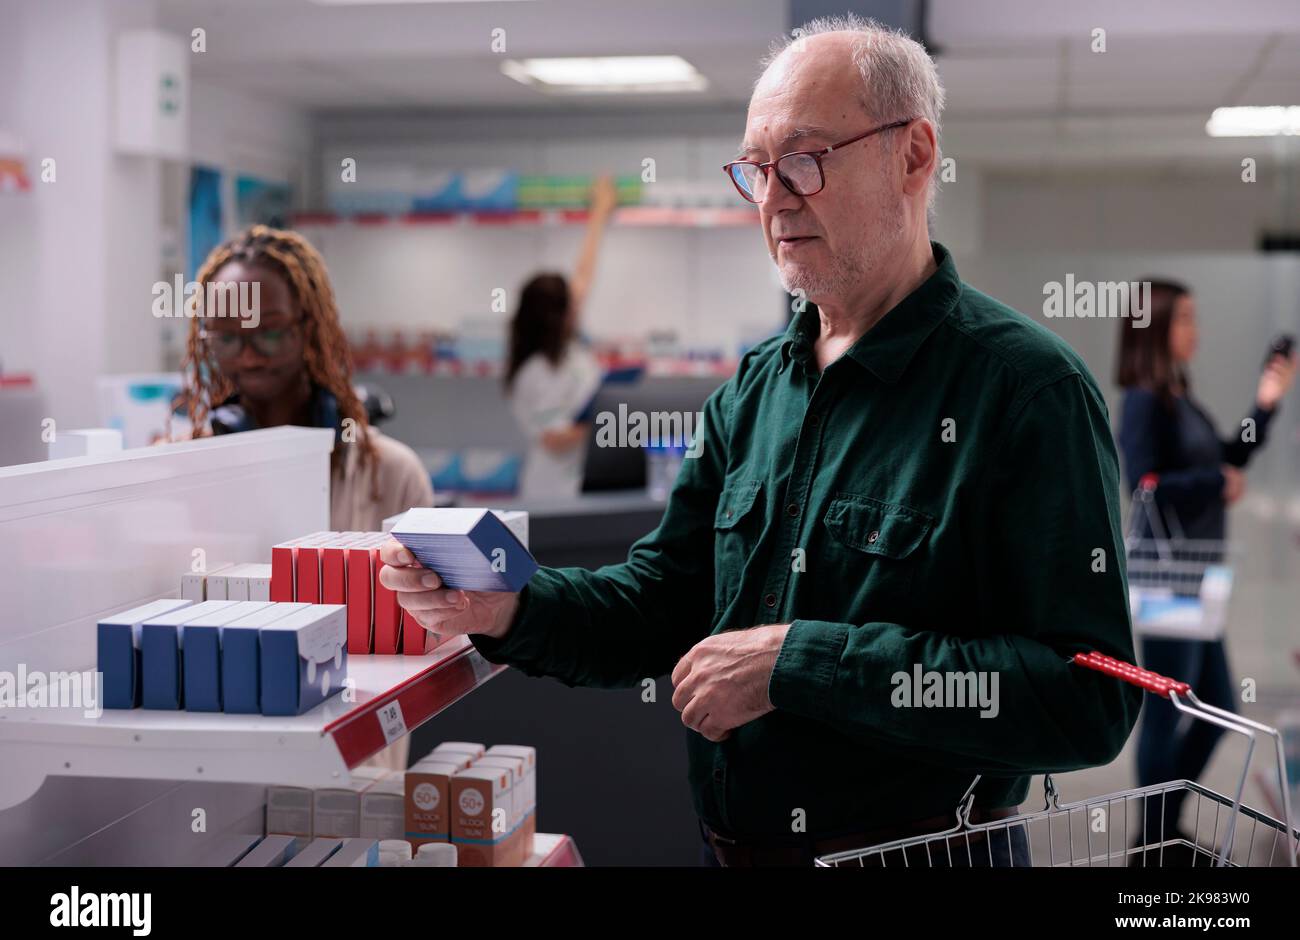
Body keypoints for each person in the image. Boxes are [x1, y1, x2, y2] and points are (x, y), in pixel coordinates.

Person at [381, 15, 1142, 867]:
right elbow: (661, 603)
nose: (775, 197)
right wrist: (512, 606)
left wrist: (801, 662)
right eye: (756, 169)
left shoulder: (1027, 393)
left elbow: (1090, 697)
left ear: (914, 155)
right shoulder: (754, 391)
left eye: (807, 160)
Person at [1115, 279, 1295, 860]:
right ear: (1156, 326)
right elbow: (1143, 484)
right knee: (1172, 712)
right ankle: (1155, 840)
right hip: (1171, 583)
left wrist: (1265, 402)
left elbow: (1227, 455)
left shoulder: (1179, 397)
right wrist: (1218, 483)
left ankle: (1162, 830)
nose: (1196, 330)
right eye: (1185, 318)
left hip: (1196, 585)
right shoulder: (1145, 398)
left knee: (1219, 709)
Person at [177, 225, 434, 532]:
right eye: (226, 339)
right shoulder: (185, 470)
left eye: (269, 333)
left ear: (308, 330)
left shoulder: (392, 473)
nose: (249, 357)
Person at [504, 176, 618, 499]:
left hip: (579, 479)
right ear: (556, 317)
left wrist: (600, 211)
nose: (578, 307)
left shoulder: (567, 347)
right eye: (571, 306)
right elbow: (555, 440)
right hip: (553, 490)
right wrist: (608, 420)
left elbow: (583, 275)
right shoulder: (536, 372)